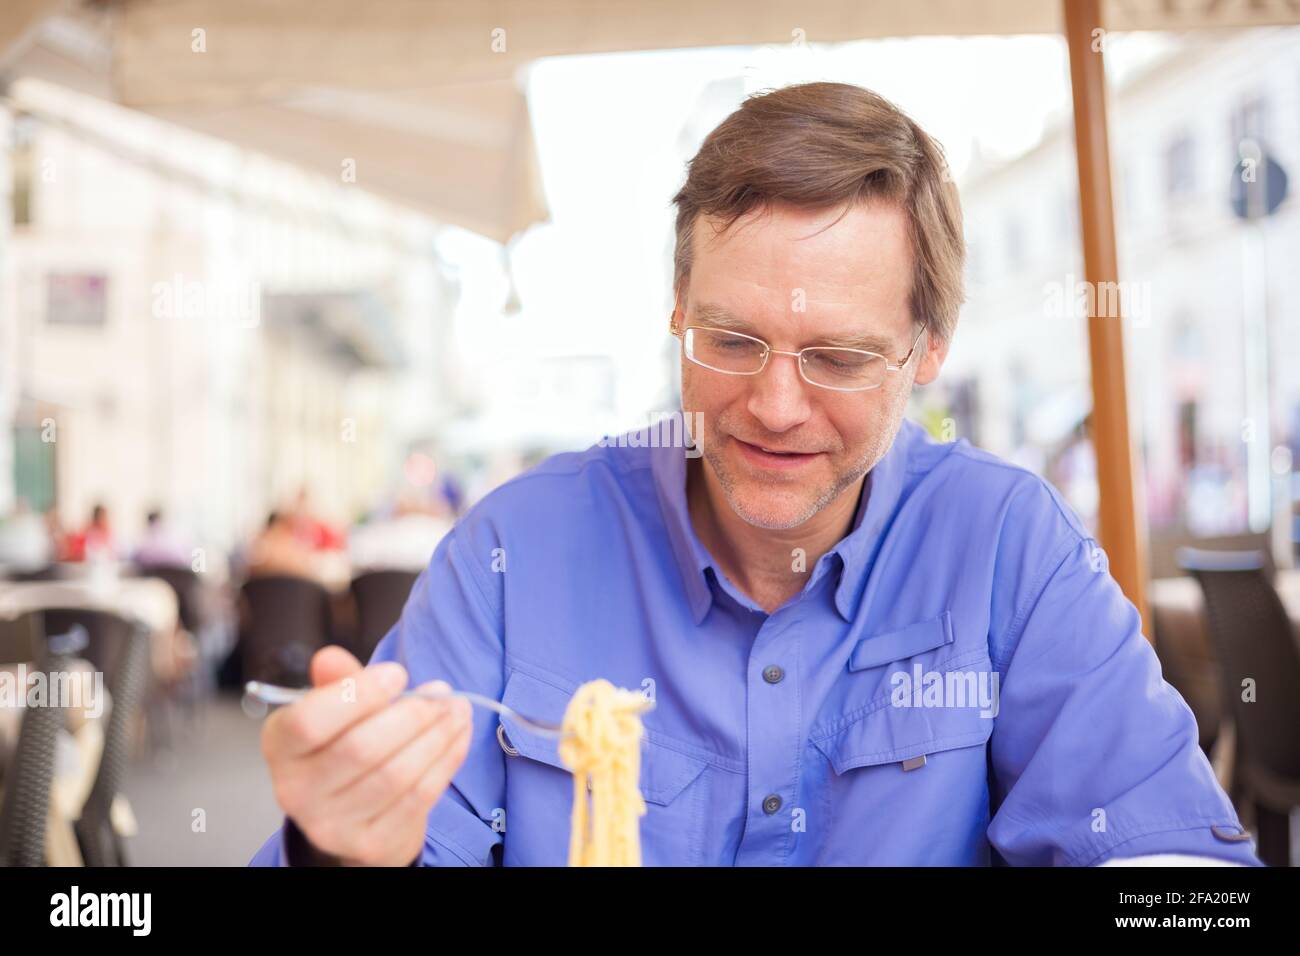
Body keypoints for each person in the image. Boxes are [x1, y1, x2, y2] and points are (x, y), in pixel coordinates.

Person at [251, 82, 1259, 867]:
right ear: (677, 309)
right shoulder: (515, 549)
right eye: (732, 340)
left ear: (928, 347)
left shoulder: (1007, 545)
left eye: (839, 356)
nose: (775, 405)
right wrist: (338, 845)